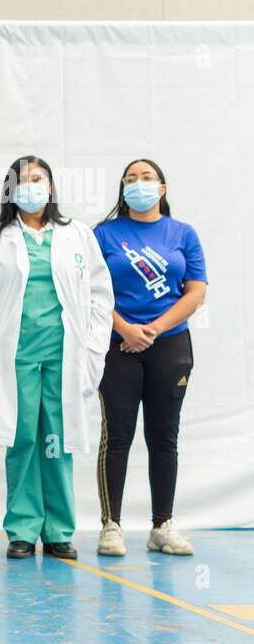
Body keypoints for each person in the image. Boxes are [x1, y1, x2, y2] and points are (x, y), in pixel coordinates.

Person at [0, 156, 113, 560]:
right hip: (17, 359)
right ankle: (23, 529)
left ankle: (59, 530)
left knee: (57, 442)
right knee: (23, 439)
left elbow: (100, 294)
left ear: (51, 187)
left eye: (37, 179)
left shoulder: (77, 235)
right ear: (9, 191)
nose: (29, 186)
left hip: (64, 357)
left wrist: (96, 344)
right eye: (21, 181)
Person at [93, 159, 207, 556]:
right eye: (129, 179)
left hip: (170, 345)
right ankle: (111, 525)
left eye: (146, 178)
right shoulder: (104, 234)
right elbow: (89, 291)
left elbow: (195, 292)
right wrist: (124, 328)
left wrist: (154, 329)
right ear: (122, 189)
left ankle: (162, 525)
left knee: (164, 437)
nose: (137, 184)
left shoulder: (183, 233)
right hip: (117, 345)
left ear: (162, 188)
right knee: (117, 436)